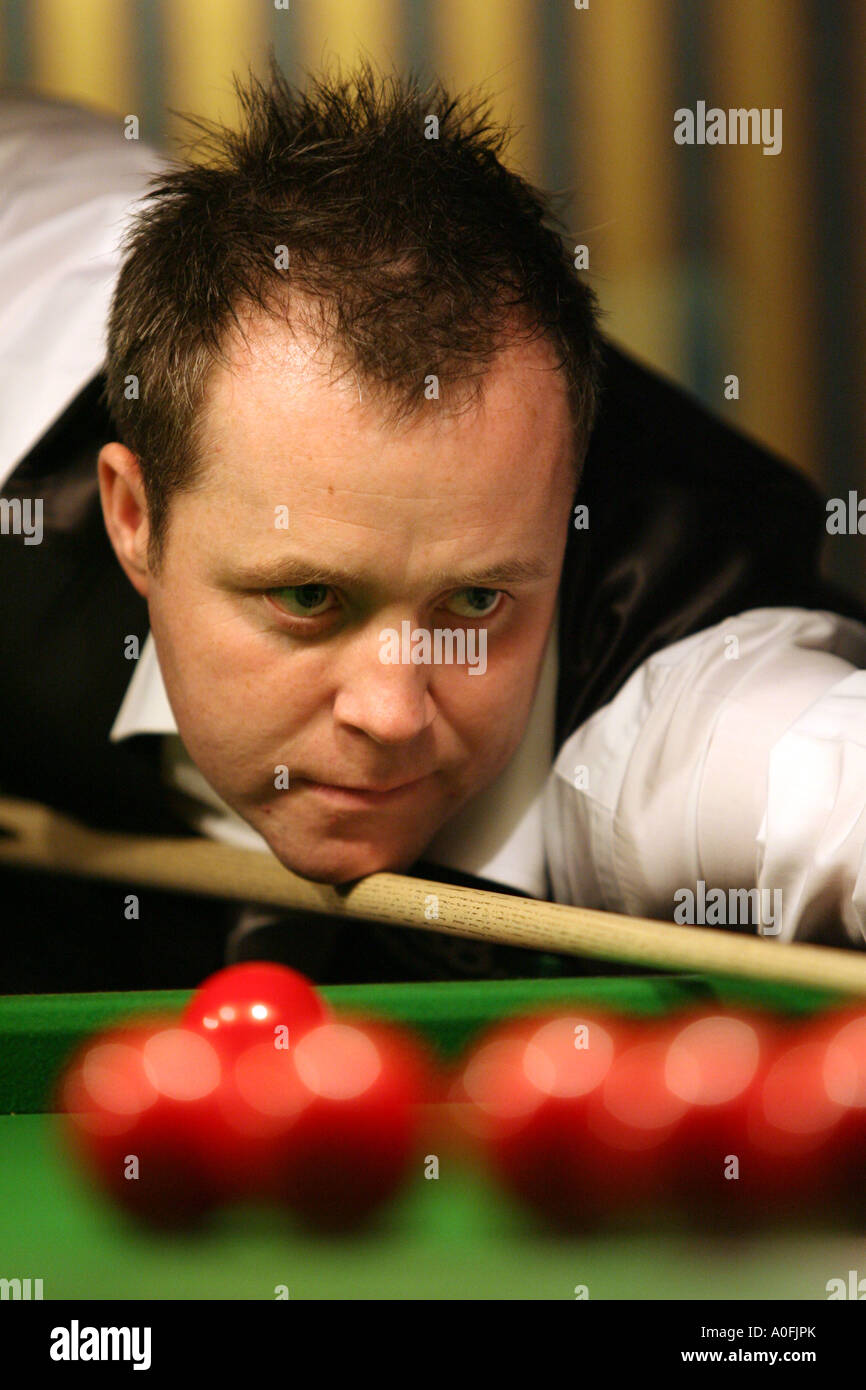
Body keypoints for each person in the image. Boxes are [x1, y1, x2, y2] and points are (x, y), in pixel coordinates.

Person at [2, 61, 865, 992]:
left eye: (477, 601)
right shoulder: (24, 444)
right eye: (308, 596)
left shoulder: (677, 715)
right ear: (134, 518)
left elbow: (819, 788)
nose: (391, 716)